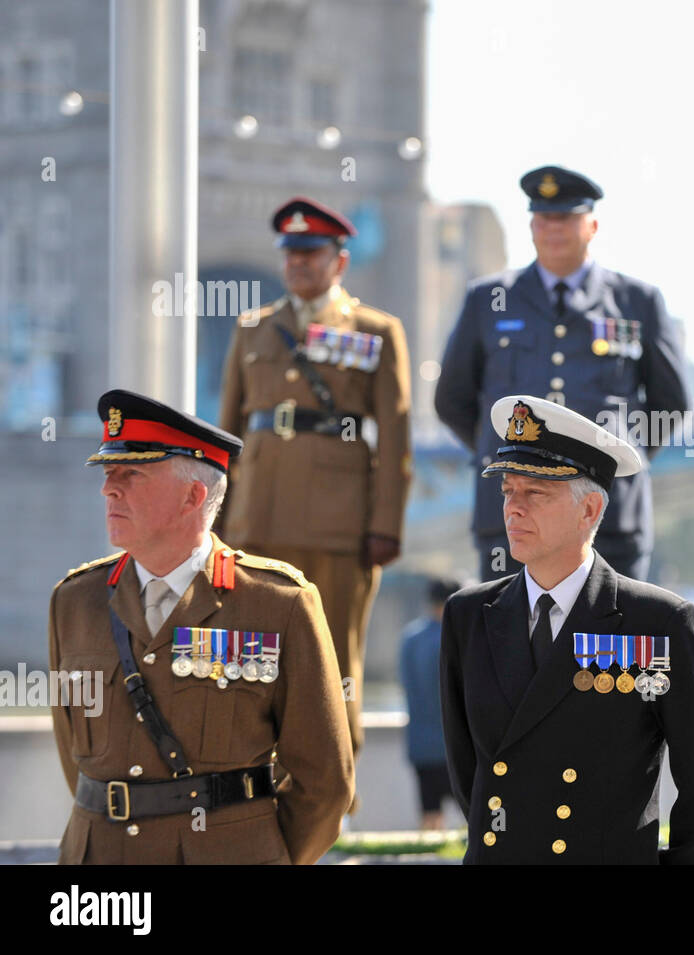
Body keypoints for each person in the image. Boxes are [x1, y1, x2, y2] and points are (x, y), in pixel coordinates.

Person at [49, 390, 353, 864]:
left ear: (193, 495)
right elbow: (78, 761)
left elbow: (325, 783)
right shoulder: (74, 600)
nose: (110, 489)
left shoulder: (278, 604)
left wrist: (262, 856)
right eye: (109, 474)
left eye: (131, 474)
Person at [440, 394, 694, 863]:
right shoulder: (468, 615)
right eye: (508, 491)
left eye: (535, 493)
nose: (513, 509)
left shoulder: (659, 623)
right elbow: (472, 777)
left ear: (589, 510)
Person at [217, 196, 412, 761]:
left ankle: (335, 798)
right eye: (291, 253)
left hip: (338, 526)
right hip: (255, 520)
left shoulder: (375, 331)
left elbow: (396, 438)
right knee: (248, 657)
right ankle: (253, 787)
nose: (299, 263)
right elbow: (227, 433)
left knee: (333, 660)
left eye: (312, 253)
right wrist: (218, 524)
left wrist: (386, 526)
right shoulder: (252, 329)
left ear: (339, 261)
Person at [434, 165, 691, 583]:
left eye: (567, 218)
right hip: (513, 516)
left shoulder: (636, 301)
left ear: (592, 224)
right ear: (532, 226)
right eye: (544, 219)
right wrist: (505, 450)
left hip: (608, 510)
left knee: (610, 643)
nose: (554, 229)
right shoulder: (489, 299)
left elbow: (671, 402)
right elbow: (452, 399)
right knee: (512, 641)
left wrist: (616, 460)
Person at [399, 574, 463, 830]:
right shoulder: (458, 635)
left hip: (421, 743)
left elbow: (407, 685)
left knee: (430, 815)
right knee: (473, 816)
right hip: (456, 743)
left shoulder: (410, 638)